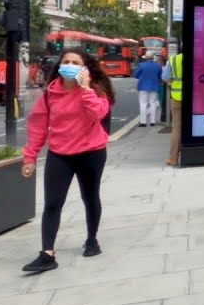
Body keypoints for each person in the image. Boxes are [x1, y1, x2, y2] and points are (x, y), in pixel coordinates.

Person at [20, 48, 116, 272]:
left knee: (90, 196)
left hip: (91, 152)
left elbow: (98, 114)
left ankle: (92, 240)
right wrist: (30, 157)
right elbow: (37, 126)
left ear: (84, 68)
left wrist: (85, 90)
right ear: (59, 66)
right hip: (59, 154)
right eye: (66, 61)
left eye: (75, 62)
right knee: (52, 203)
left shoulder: (95, 91)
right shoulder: (49, 93)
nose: (70, 65)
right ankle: (47, 254)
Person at [162, 44, 183, 166]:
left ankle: (174, 158)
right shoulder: (197, 58)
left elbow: (165, 77)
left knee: (177, 128)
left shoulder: (173, 60)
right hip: (195, 98)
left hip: (177, 98)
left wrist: (172, 82)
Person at [133, 54, 163, 127]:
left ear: (145, 58)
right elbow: (160, 76)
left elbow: (136, 75)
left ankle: (143, 122)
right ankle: (153, 122)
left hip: (143, 87)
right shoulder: (158, 66)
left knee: (143, 104)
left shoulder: (141, 65)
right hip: (154, 86)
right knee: (153, 103)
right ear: (153, 58)